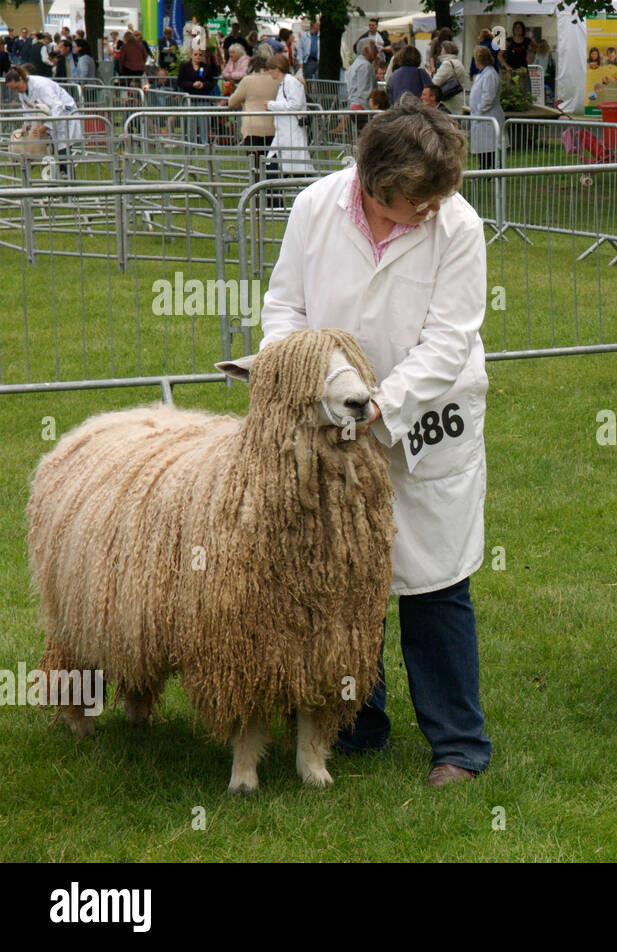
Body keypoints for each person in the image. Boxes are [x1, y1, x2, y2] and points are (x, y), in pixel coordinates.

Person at [259, 99, 492, 788]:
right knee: (343, 578)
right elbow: (285, 306)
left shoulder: (458, 224)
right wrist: (302, 376)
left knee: (435, 580)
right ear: (369, 180)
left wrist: (380, 406)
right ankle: (359, 723)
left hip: (423, 422)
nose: (425, 211)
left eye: (432, 199)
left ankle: (457, 744)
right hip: (329, 423)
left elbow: (450, 339)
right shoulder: (313, 207)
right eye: (409, 200)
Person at [5, 66, 83, 179]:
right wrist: (26, 125)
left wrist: (46, 126)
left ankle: (69, 186)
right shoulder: (23, 91)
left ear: (21, 79)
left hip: (64, 118)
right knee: (51, 156)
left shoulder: (41, 86)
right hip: (50, 120)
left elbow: (58, 106)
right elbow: (27, 109)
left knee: (63, 154)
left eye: (17, 87)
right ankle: (56, 185)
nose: (17, 91)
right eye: (14, 90)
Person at [227, 54, 278, 177]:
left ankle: (257, 193)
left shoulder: (247, 80)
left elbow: (232, 102)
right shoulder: (275, 80)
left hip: (252, 130)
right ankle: (272, 193)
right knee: (271, 166)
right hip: (273, 129)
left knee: (255, 167)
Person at [265, 53, 312, 176]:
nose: (269, 72)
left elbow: (295, 104)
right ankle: (274, 194)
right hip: (284, 133)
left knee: (296, 168)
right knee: (276, 165)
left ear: (278, 68)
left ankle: (275, 194)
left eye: (270, 69)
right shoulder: (284, 83)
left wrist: (271, 105)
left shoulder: (290, 82)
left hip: (291, 132)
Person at [469, 45, 504, 169]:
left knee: (491, 146)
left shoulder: (490, 74)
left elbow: (489, 97)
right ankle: (484, 168)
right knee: (483, 146)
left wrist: (479, 109)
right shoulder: (483, 74)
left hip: (487, 115)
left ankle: (492, 170)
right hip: (481, 117)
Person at [430, 40, 470, 115]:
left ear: (445, 50)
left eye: (442, 49)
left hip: (449, 102)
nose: (441, 51)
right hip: (458, 100)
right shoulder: (458, 62)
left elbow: (435, 82)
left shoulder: (447, 64)